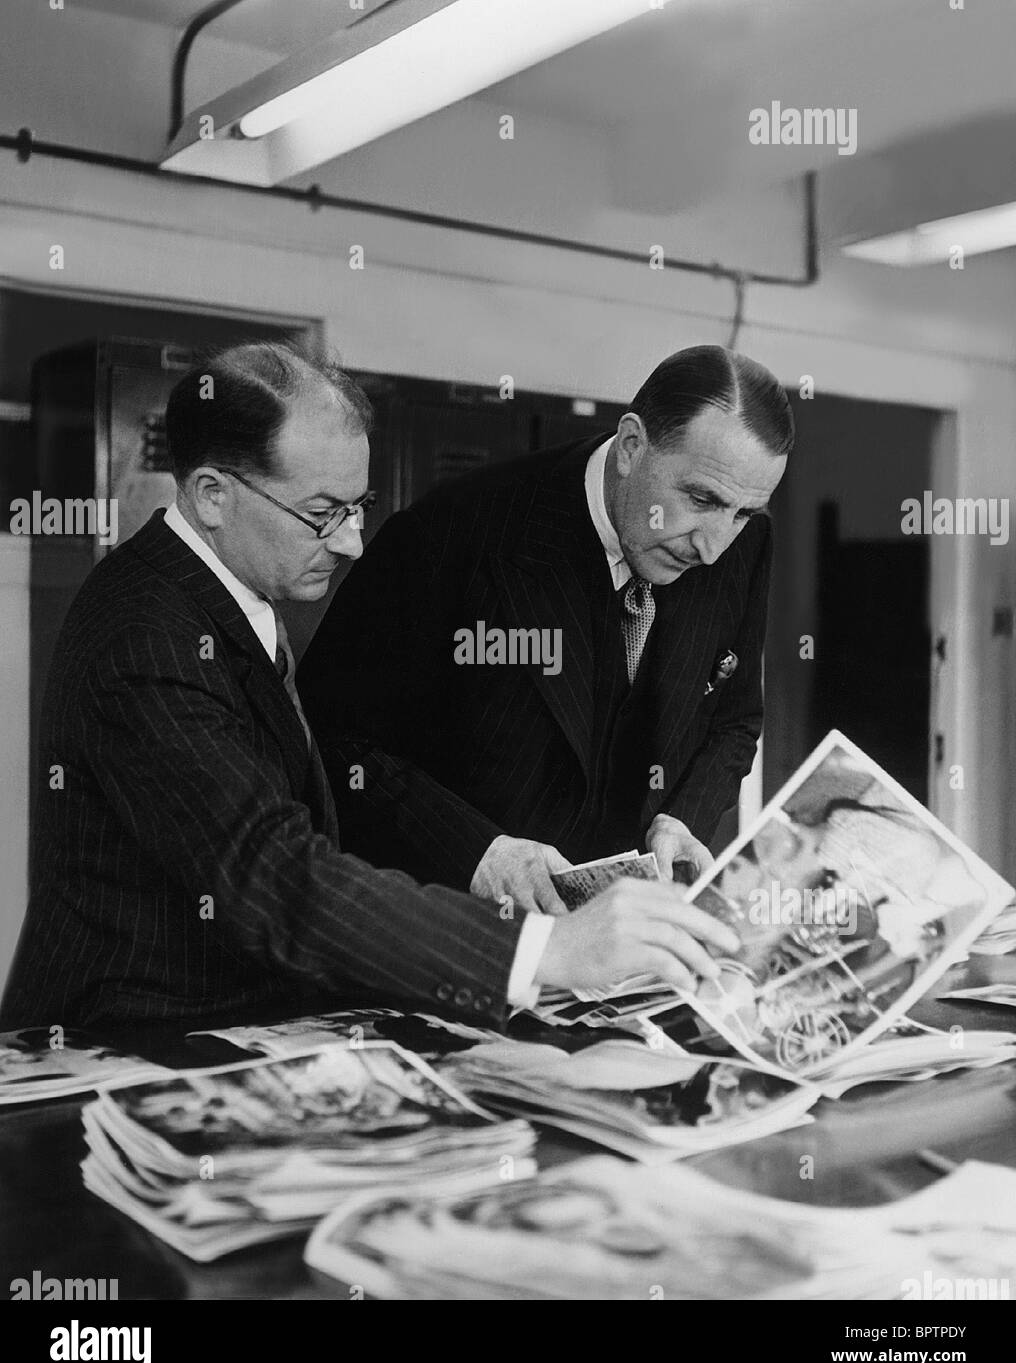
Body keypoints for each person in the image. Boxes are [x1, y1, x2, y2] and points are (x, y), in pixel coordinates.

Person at [0, 343, 737, 1032]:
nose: (352, 541)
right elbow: (276, 878)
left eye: (357, 507)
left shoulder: (231, 593)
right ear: (213, 495)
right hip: (126, 1039)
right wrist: (543, 952)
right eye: (323, 515)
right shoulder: (147, 634)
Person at [298, 345, 793, 914]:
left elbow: (733, 720)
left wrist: (684, 816)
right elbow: (334, 745)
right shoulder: (449, 535)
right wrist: (480, 852)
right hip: (456, 930)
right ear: (632, 446)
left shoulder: (745, 544)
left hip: (618, 950)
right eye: (701, 499)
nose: (712, 548)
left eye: (743, 513)